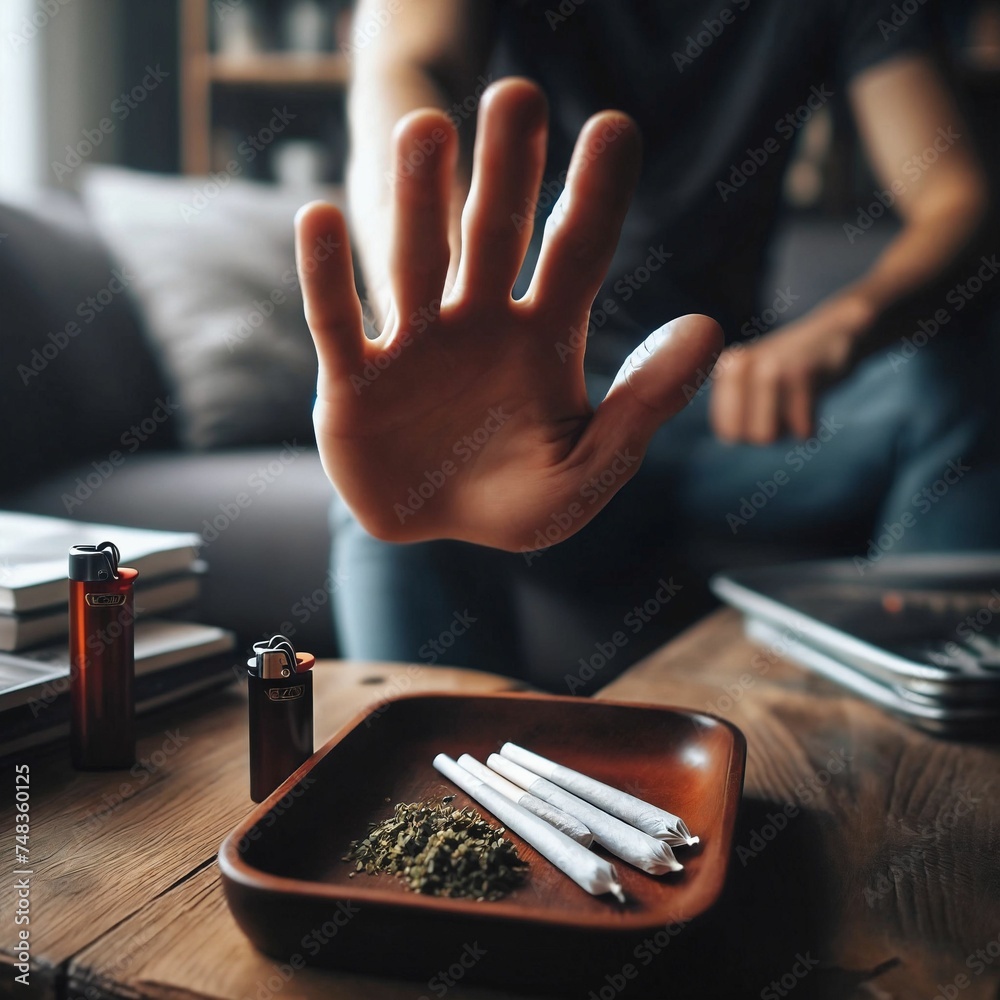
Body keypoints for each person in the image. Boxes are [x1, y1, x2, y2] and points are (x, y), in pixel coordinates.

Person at [294, 0, 999, 682]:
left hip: (728, 418)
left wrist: (842, 327)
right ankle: (438, 788)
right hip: (529, 420)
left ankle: (919, 748)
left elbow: (956, 196)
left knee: (956, 388)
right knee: (415, 472)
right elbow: (400, 69)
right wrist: (427, 319)